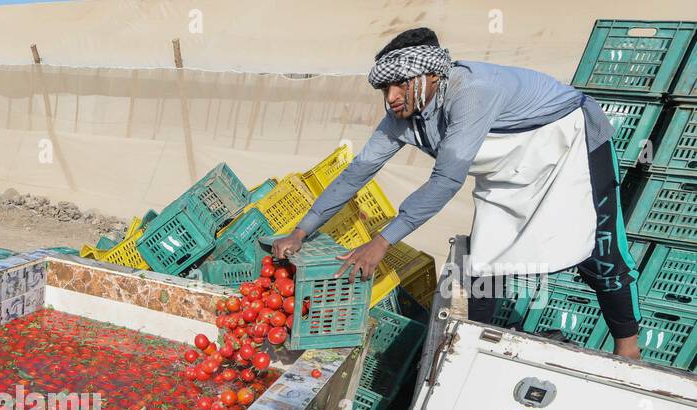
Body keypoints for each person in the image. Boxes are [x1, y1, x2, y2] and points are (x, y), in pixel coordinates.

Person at [273, 27, 642, 359]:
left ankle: (628, 349)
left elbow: (446, 181)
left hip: (568, 145)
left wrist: (382, 241)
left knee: (599, 246)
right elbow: (357, 172)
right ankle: (471, 348)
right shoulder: (403, 117)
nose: (392, 97)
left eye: (401, 84)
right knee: (486, 255)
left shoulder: (471, 93)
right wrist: (302, 229)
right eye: (386, 88)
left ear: (432, 74)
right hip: (509, 169)